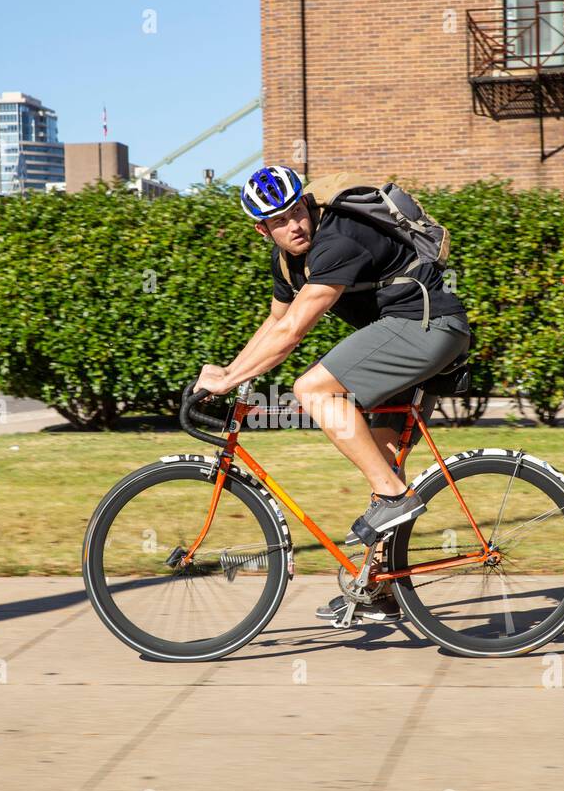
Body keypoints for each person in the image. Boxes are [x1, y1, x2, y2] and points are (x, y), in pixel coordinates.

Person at [195, 165, 471, 623]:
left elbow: (293, 334)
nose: (295, 225)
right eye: (279, 221)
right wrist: (229, 372)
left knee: (313, 389)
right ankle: (382, 587)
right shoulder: (288, 261)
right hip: (411, 331)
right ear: (262, 229)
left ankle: (395, 496)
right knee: (380, 463)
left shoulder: (339, 237)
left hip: (424, 326)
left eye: (297, 211)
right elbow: (275, 324)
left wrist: (225, 382)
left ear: (307, 203)